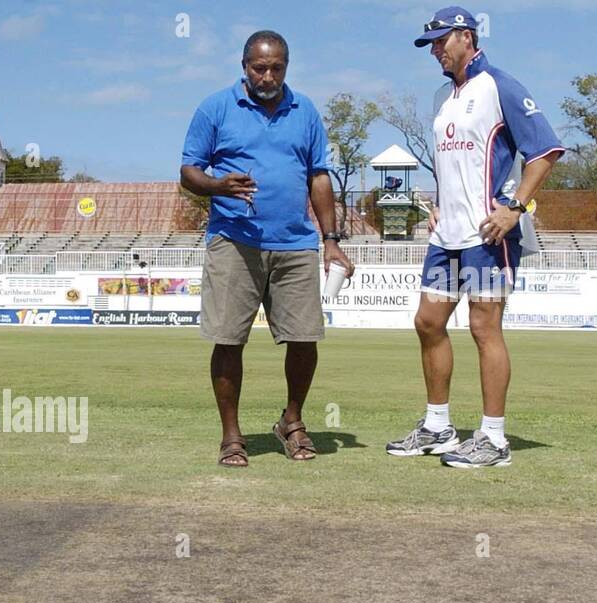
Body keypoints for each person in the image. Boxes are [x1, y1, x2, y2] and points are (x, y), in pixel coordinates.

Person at [386, 7, 564, 467]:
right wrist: (441, 204)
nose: (436, 51)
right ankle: (437, 426)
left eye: (442, 41)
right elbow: (452, 165)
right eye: (431, 45)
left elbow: (544, 150)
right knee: (428, 322)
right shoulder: (444, 98)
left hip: (488, 233)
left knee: (485, 328)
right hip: (447, 235)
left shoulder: (499, 84)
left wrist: (515, 208)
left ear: (466, 36)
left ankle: (493, 439)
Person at [180, 30, 353, 466]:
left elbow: (318, 176)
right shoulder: (215, 107)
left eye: (277, 67)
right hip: (233, 241)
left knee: (304, 339)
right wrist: (218, 185)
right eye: (260, 67)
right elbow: (188, 171)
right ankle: (232, 436)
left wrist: (331, 240)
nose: (268, 75)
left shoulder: (305, 110)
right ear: (244, 66)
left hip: (295, 243)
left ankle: (291, 421)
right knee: (227, 340)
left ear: (286, 67)